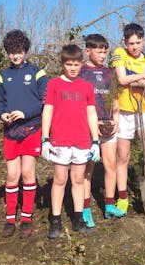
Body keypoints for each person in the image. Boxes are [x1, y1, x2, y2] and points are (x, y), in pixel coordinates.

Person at [41, 44, 100, 238]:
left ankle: (77, 218)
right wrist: (45, 138)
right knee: (59, 180)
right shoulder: (54, 84)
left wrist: (96, 141)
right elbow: (48, 110)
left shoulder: (86, 86)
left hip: (82, 141)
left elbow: (91, 113)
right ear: (62, 64)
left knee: (78, 179)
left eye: (76, 64)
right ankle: (55, 220)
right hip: (60, 141)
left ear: (81, 64)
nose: (72, 68)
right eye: (69, 64)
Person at [0, 29, 48, 238]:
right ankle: (10, 219)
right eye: (11, 52)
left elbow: (45, 102)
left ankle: (26, 218)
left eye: (18, 51)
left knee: (27, 173)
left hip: (32, 129)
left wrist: (25, 113)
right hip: (11, 131)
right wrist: (3, 115)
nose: (15, 56)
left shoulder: (38, 72)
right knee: (11, 175)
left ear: (25, 51)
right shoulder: (2, 75)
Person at [111, 22, 145, 215]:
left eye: (138, 42)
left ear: (144, 41)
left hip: (143, 111)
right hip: (123, 112)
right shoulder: (119, 53)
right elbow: (122, 79)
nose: (134, 47)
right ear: (125, 42)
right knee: (123, 156)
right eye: (131, 43)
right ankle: (122, 197)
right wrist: (144, 77)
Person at [79, 34, 119, 225]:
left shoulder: (110, 73)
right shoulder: (82, 72)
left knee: (111, 165)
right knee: (88, 169)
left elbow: (115, 97)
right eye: (99, 51)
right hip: (88, 128)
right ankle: (86, 209)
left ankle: (110, 205)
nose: (102, 55)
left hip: (108, 125)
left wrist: (116, 118)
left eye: (105, 51)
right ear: (88, 51)